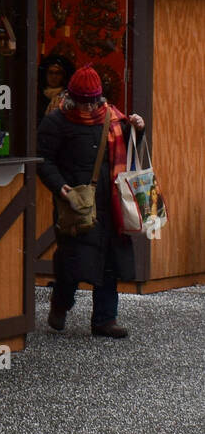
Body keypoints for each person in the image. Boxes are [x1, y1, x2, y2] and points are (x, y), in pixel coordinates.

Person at [38, 65, 144, 338]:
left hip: (110, 202)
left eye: (92, 102)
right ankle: (61, 302)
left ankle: (105, 320)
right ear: (71, 98)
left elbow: (130, 151)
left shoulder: (112, 117)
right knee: (72, 261)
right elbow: (44, 160)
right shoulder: (56, 121)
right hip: (73, 202)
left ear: (99, 99)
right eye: (82, 102)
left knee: (109, 260)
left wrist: (138, 130)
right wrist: (60, 187)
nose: (87, 108)